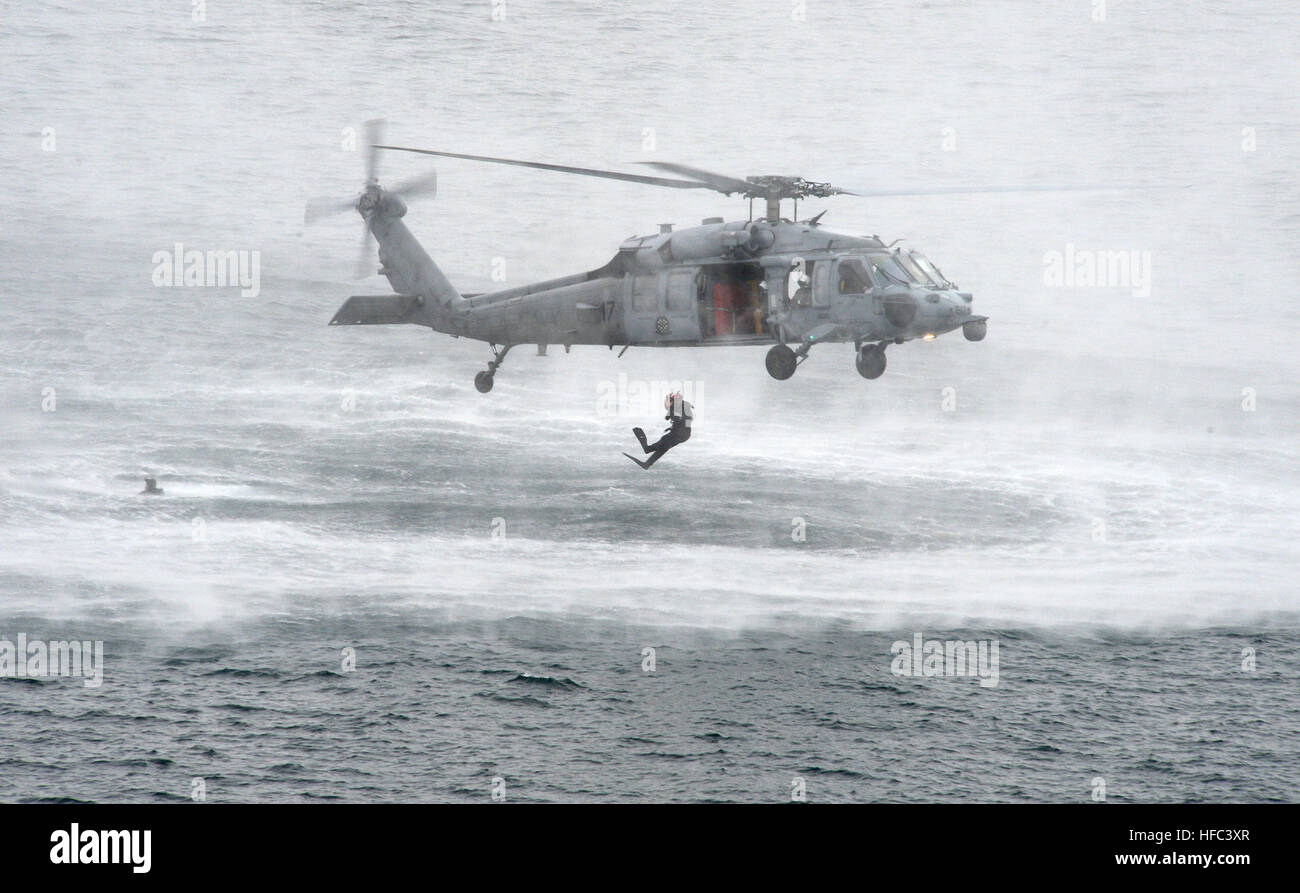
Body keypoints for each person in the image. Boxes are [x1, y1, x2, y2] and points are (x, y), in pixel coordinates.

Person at [624, 392, 693, 469]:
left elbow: (682, 418)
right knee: (663, 445)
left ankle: (647, 459)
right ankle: (647, 460)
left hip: (680, 433)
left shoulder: (679, 407)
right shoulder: (679, 406)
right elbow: (682, 418)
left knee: (665, 442)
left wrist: (677, 424)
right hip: (683, 434)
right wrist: (674, 426)